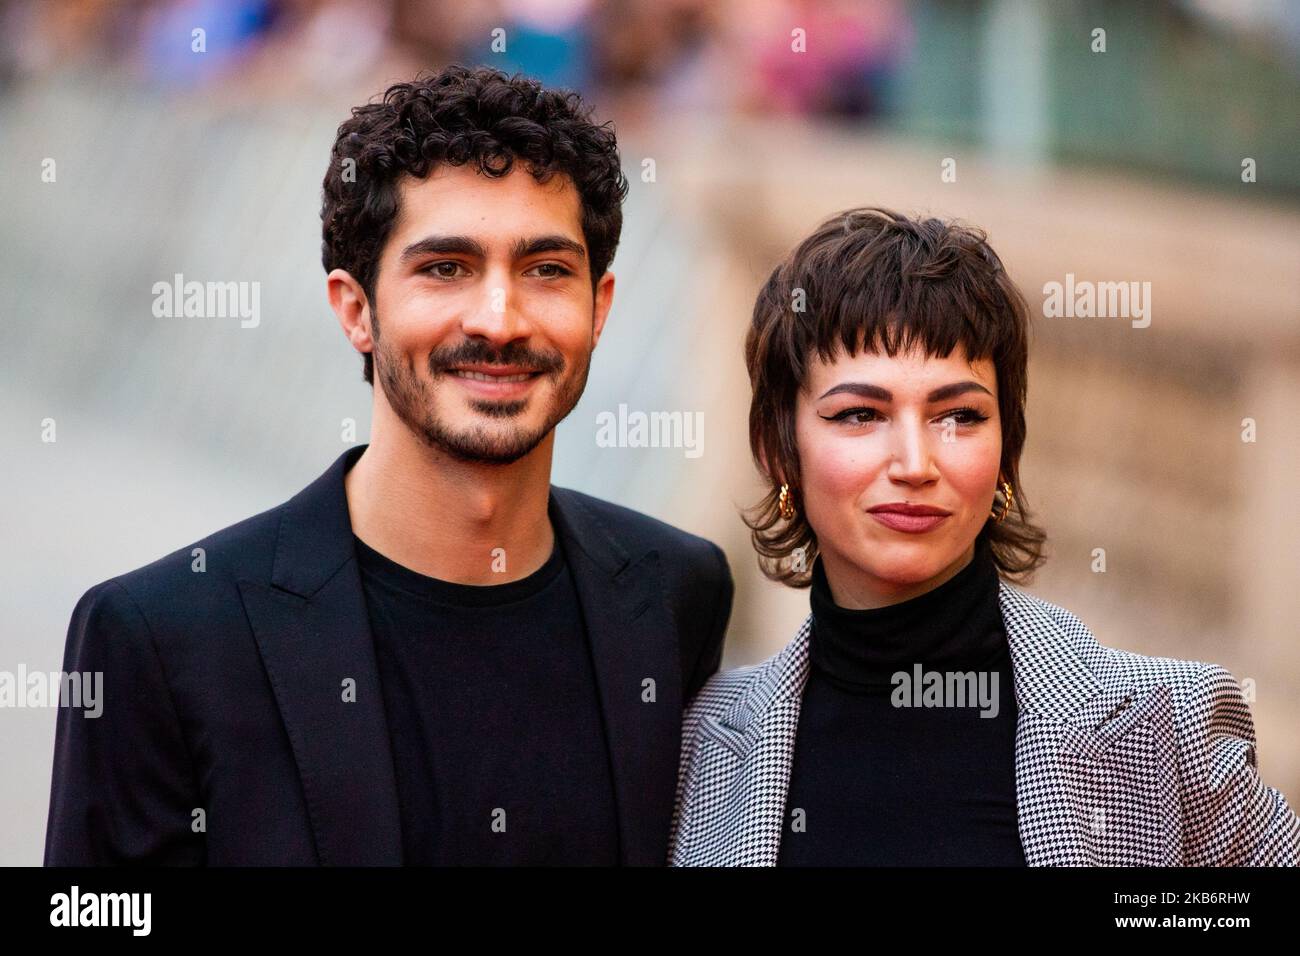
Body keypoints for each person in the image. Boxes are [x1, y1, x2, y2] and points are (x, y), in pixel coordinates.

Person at [44, 65, 733, 866]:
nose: (499, 320)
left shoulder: (674, 592)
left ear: (599, 307)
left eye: (547, 270)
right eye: (446, 268)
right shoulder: (160, 637)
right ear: (356, 309)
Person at [668, 207, 1299, 866]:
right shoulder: (693, 750)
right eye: (860, 414)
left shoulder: (1171, 730)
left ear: (1007, 449)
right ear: (777, 447)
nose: (914, 463)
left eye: (959, 416)